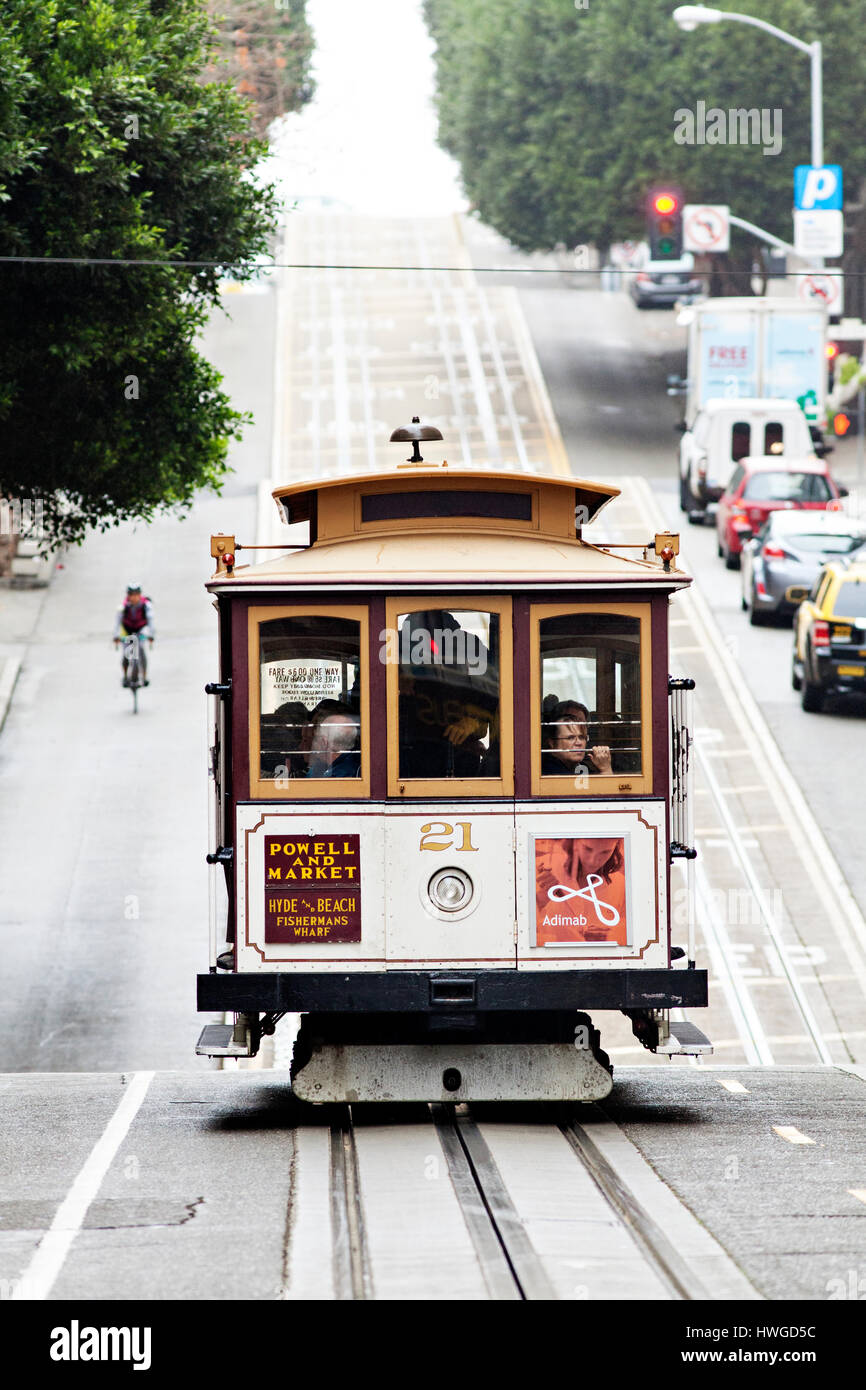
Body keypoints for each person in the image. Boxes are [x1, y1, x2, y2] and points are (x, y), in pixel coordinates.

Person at [541, 698, 612, 775]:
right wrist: (605, 770)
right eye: (570, 738)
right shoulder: (548, 772)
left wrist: (604, 768)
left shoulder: (580, 768)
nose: (579, 743)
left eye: (582, 737)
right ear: (552, 743)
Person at [113, 583, 154, 687]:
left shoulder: (146, 606)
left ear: (140, 595)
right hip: (127, 631)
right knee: (126, 654)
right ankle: (125, 676)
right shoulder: (123, 607)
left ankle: (144, 677)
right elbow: (117, 622)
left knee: (141, 650)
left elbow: (150, 621)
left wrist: (151, 635)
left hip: (140, 630)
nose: (134, 597)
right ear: (128, 596)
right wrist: (116, 636)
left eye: (136, 595)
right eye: (132, 595)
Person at [306, 706, 360, 778]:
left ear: (324, 742)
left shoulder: (340, 776)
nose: (312, 743)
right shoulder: (322, 767)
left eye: (316, 738)